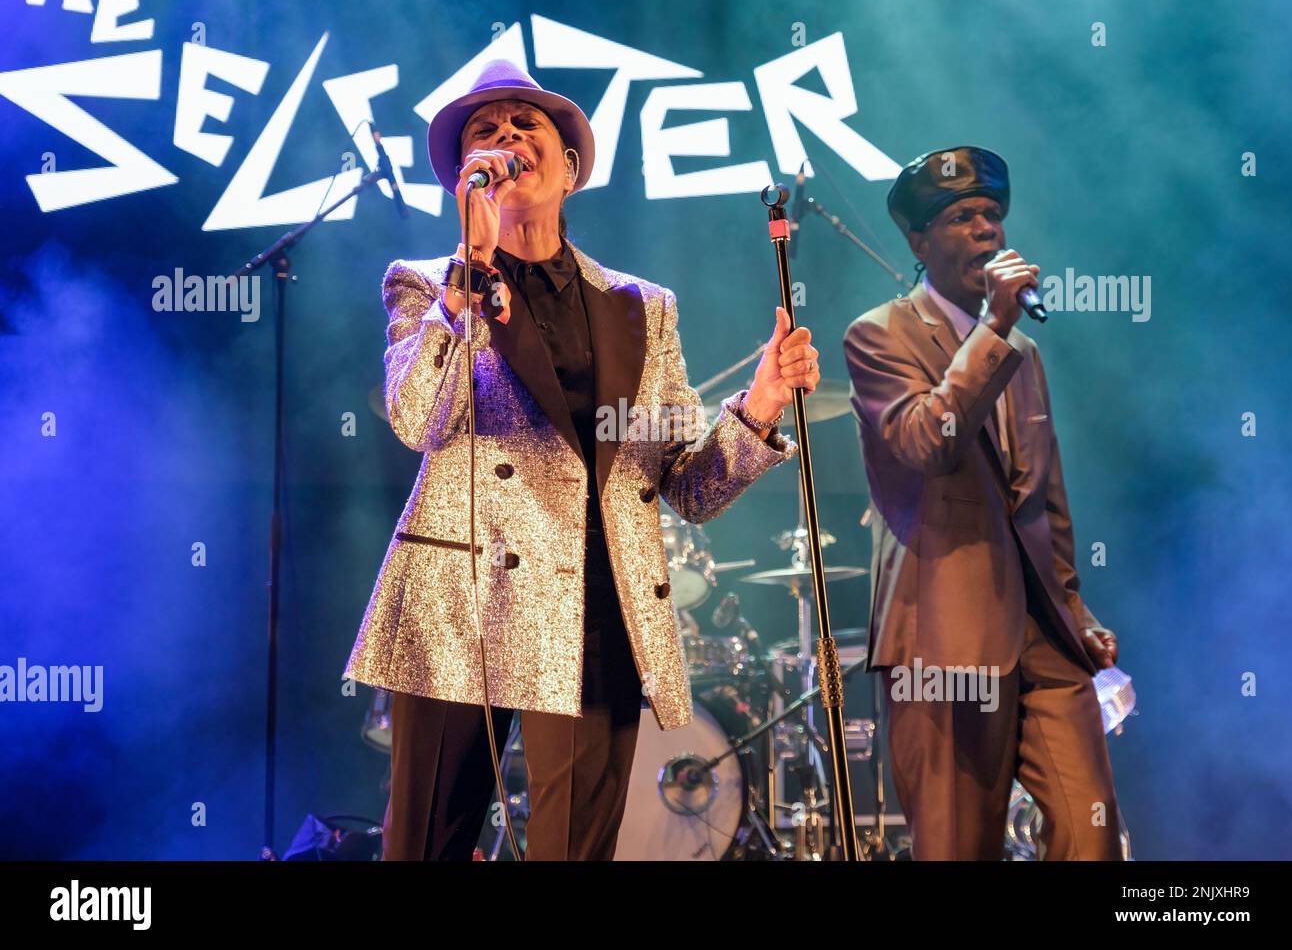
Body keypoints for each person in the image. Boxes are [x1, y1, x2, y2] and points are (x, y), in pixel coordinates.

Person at [343, 60, 821, 860]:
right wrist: (468, 278)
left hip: (594, 612)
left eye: (522, 127)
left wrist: (761, 406)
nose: (502, 141)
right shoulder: (428, 286)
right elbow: (418, 418)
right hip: (461, 603)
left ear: (569, 167)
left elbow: (687, 486)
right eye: (482, 136)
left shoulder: (643, 307)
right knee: (425, 843)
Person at [842, 146, 1123, 860]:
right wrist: (991, 330)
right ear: (918, 241)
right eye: (962, 216)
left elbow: (1045, 501)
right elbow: (924, 444)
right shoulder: (879, 335)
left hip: (1044, 635)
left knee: (1091, 839)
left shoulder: (1023, 354)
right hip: (944, 634)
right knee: (958, 846)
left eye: (992, 215)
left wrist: (1077, 610)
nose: (985, 230)